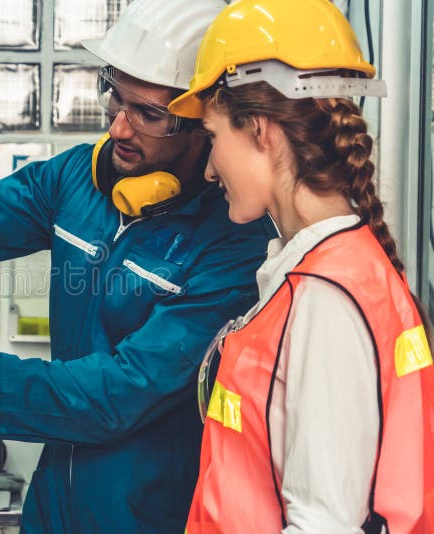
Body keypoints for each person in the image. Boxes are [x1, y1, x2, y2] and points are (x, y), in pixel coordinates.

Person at [0, 0, 274, 531]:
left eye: (149, 114)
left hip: (147, 514)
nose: (120, 129)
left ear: (209, 124)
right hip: (52, 506)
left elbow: (118, 393)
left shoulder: (238, 244)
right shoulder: (78, 179)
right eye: (115, 95)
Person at [168, 0, 434, 532]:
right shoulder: (327, 270)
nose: (209, 166)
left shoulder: (325, 298)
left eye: (214, 137)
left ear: (261, 130)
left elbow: (323, 523)